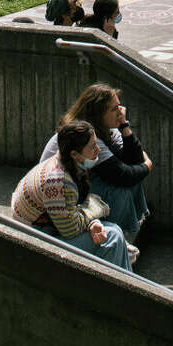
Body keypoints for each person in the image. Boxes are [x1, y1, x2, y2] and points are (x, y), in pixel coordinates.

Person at [12, 119, 135, 270]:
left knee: (114, 229)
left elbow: (71, 209)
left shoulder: (68, 162)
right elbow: (69, 229)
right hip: (36, 240)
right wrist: (93, 213)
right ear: (75, 154)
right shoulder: (58, 180)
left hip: (50, 225)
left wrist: (92, 222)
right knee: (113, 239)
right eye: (92, 147)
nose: (98, 149)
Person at [41, 85, 152, 239]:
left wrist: (125, 126)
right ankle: (117, 235)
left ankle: (122, 232)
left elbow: (132, 159)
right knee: (121, 192)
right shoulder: (86, 136)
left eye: (120, 106)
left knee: (131, 182)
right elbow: (123, 175)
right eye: (115, 109)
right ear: (99, 113)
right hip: (57, 192)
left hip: (79, 179)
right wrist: (147, 166)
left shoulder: (109, 129)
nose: (120, 111)